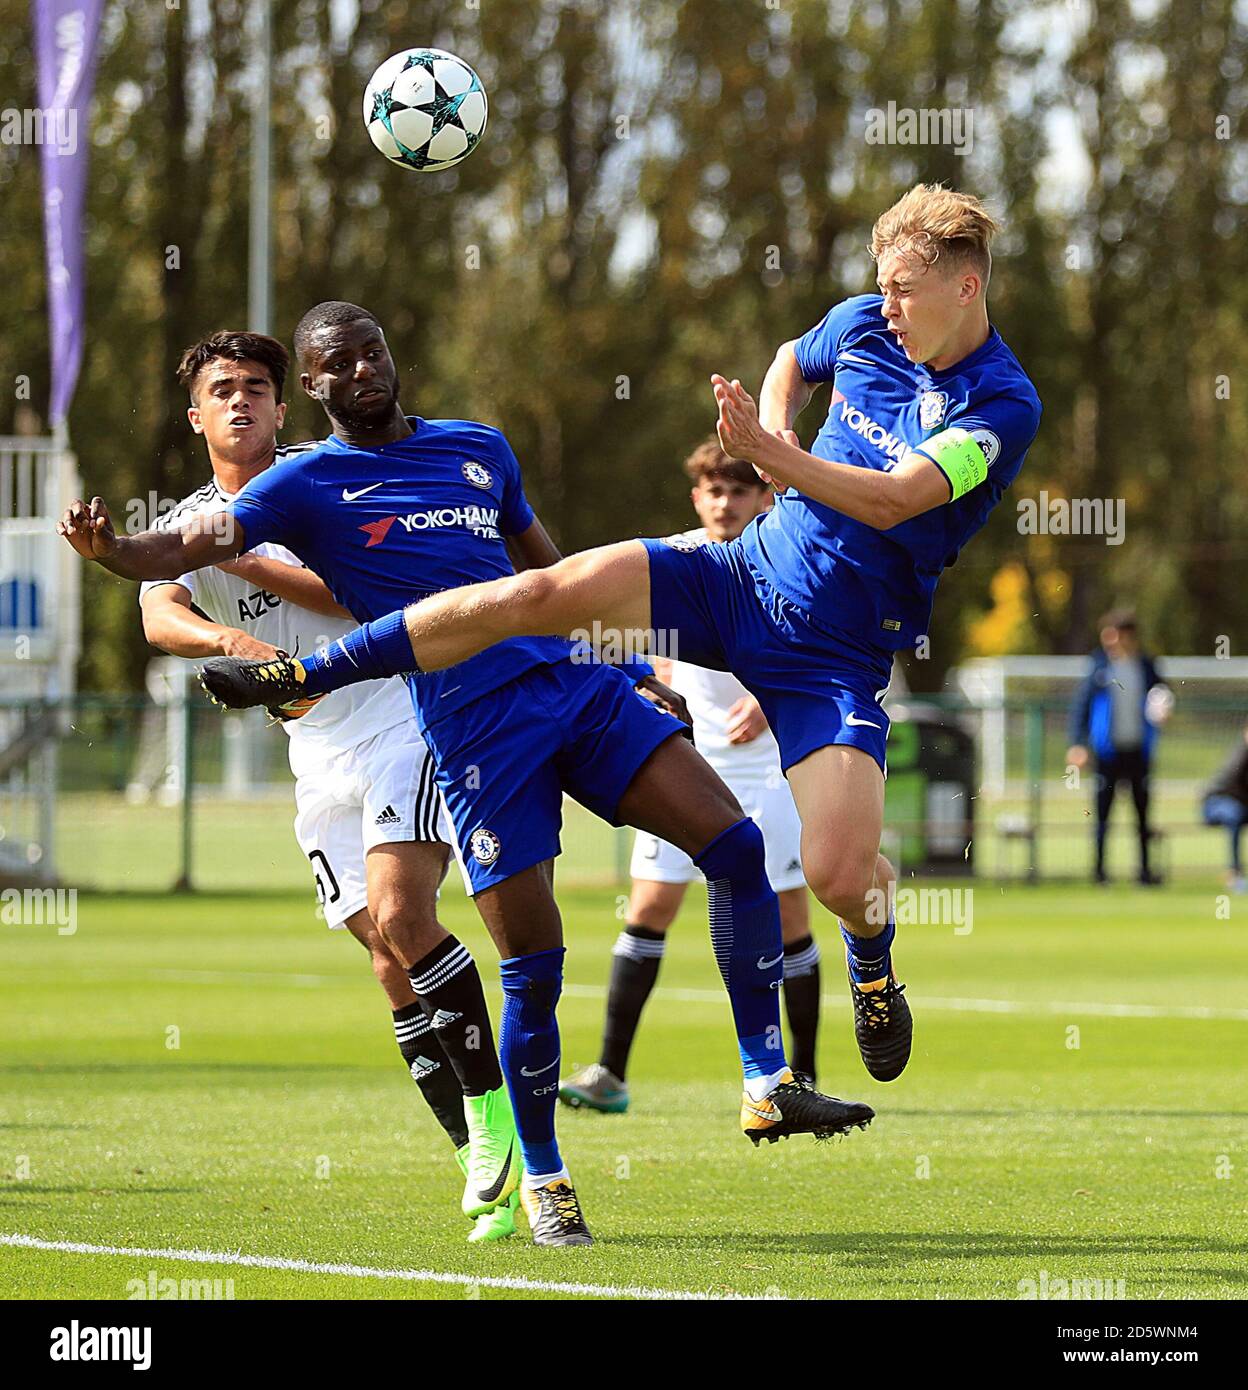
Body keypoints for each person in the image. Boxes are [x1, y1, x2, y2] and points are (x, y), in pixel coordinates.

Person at [185, 184, 1044, 1090]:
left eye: (905, 288)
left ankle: (873, 961)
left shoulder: (1001, 402)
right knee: (540, 591)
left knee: (840, 878)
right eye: (882, 284)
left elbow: (893, 498)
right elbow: (795, 355)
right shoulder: (866, 322)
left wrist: (768, 452)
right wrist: (780, 418)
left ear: (968, 286)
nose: (887, 305)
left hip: (834, 653)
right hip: (737, 580)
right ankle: (306, 668)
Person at [59, 304, 876, 1248]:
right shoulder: (303, 485)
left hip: (572, 687)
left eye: (372, 351)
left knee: (733, 845)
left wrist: (630, 664)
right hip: (473, 728)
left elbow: (552, 573)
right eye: (338, 364)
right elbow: (181, 551)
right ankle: (546, 1180)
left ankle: (767, 1083)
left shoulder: (478, 448)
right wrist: (115, 552)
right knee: (533, 967)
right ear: (315, 393)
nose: (362, 369)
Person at [133, 330, 516, 1241]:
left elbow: (357, 596)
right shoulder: (190, 516)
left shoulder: (325, 479)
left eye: (258, 387)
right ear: (197, 416)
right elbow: (157, 612)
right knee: (386, 960)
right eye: (222, 390)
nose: (241, 401)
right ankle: (472, 1151)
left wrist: (236, 557)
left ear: (283, 403)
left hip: (394, 716)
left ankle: (500, 1118)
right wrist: (227, 639)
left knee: (404, 917)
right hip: (316, 754)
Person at [562, 440, 821, 1114]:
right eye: (713, 490)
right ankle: (610, 1074)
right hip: (690, 763)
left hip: (772, 768)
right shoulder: (673, 558)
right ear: (696, 498)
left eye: (738, 491)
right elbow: (610, 626)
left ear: (765, 498)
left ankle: (803, 1077)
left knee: (790, 914)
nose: (725, 502)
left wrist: (769, 701)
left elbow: (823, 648)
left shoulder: (787, 558)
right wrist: (650, 670)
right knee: (649, 909)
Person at [1066, 609, 1172, 885]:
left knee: (1142, 814)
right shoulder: (1099, 667)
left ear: (1128, 636)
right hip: (1107, 752)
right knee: (1102, 814)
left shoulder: (1146, 666)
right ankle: (1100, 873)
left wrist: (1165, 709)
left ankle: (1144, 873)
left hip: (1138, 750)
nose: (1110, 642)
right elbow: (1082, 705)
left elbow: (1162, 696)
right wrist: (1078, 743)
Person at [1200, 722, 1248, 892]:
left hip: (1239, 804)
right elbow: (1233, 786)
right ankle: (1234, 873)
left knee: (1236, 811)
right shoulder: (1240, 754)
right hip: (1215, 803)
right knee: (1233, 814)